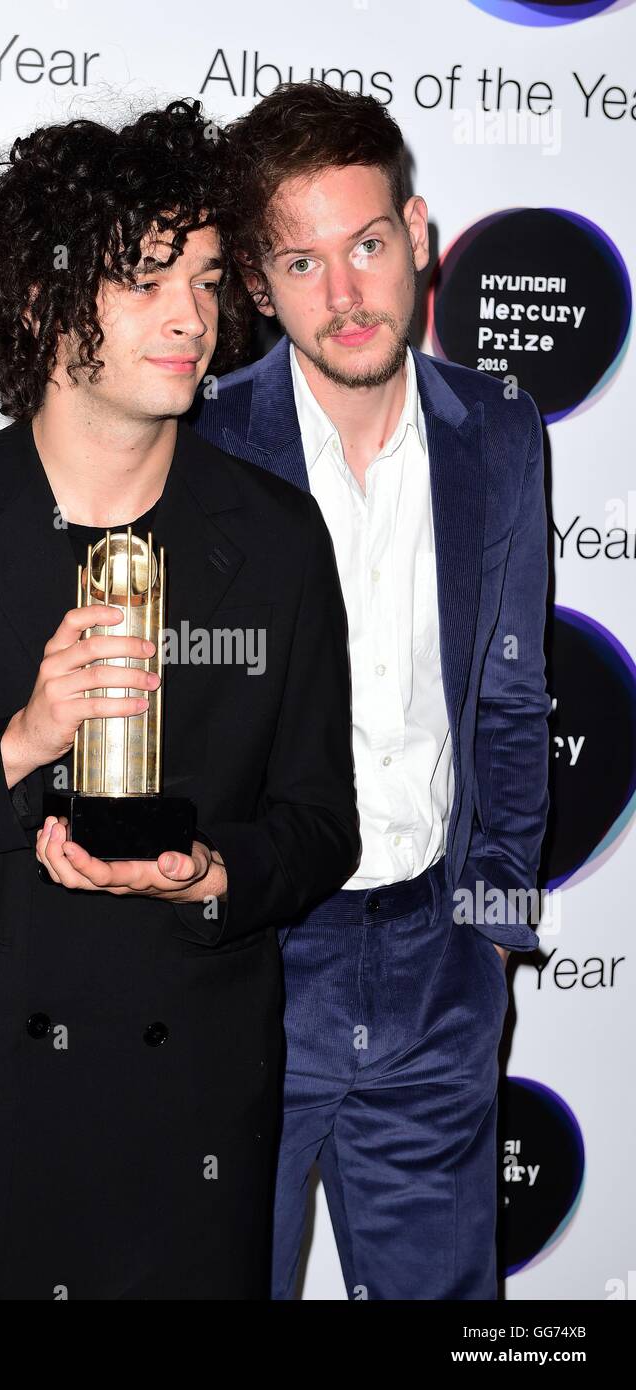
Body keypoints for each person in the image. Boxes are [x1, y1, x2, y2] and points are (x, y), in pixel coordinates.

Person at [0, 99, 358, 1300]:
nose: (192, 317)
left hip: (185, 1117)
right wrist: (17, 742)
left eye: (206, 278)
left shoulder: (273, 536)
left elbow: (319, 823)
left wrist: (207, 873)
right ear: (43, 304)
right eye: (147, 278)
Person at [190, 81, 551, 1300]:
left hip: (435, 968)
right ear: (257, 284)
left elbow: (509, 705)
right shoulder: (203, 444)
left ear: (420, 234)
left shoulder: (499, 430)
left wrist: (492, 941)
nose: (343, 296)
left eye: (366, 246)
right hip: (251, 968)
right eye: (300, 261)